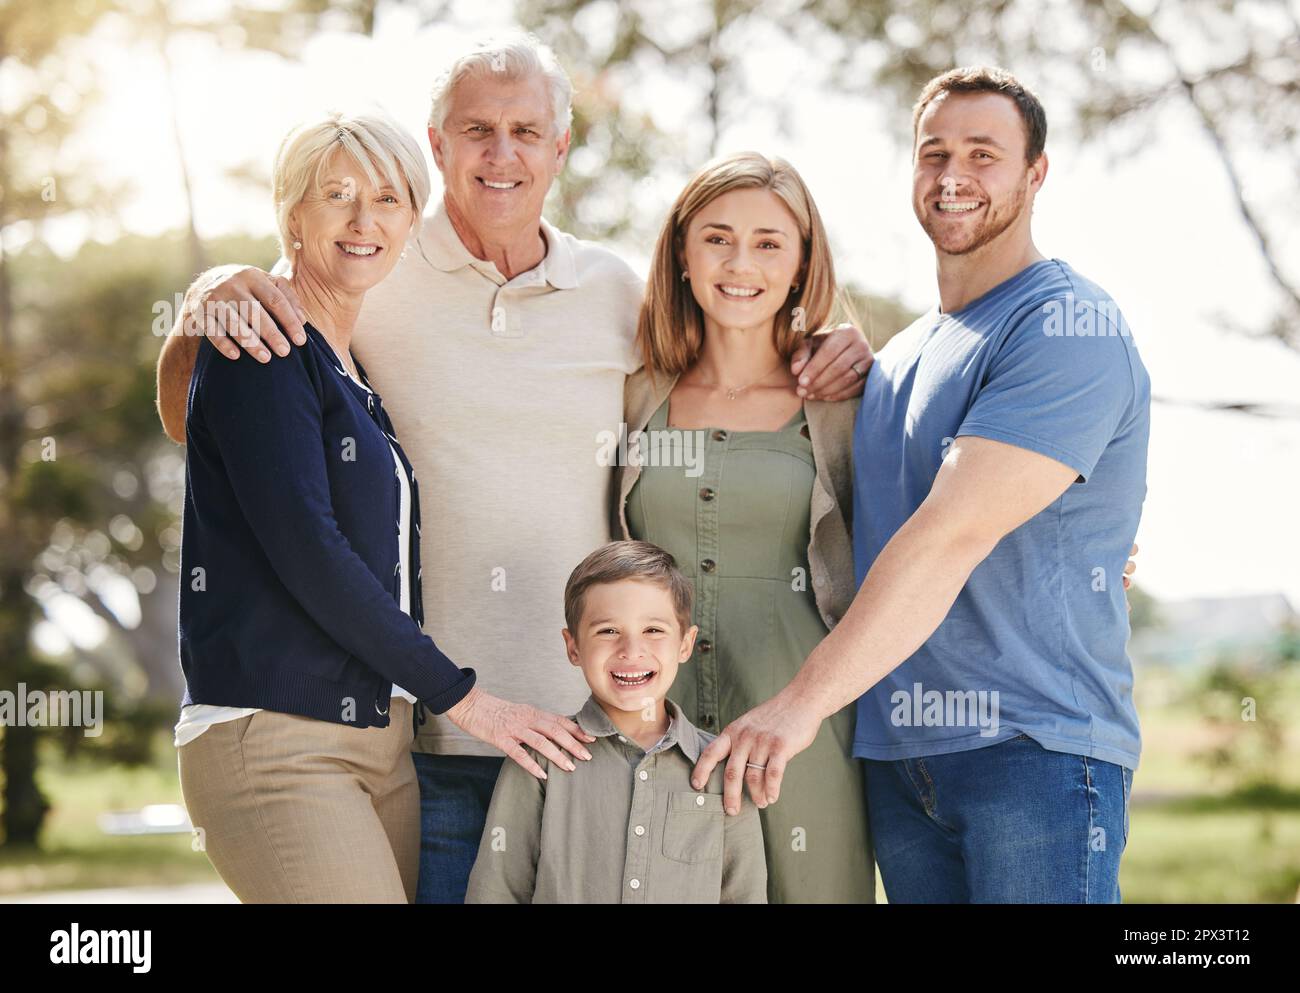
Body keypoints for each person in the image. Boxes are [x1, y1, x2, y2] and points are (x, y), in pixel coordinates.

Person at [153, 33, 872, 903]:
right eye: (477, 130)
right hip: (424, 731)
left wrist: (827, 340)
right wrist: (207, 297)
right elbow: (203, 407)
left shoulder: (614, 293)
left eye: (527, 131)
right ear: (438, 142)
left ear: (560, 147)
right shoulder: (371, 261)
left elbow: (726, 360)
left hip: (587, 733)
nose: (503, 155)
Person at [692, 66, 1151, 905]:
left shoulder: (1064, 325)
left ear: (1035, 173)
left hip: (1032, 750)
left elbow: (949, 535)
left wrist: (797, 706)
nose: (953, 175)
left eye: (984, 153)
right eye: (933, 151)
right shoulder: (897, 357)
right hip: (899, 760)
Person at [175, 108, 590, 904]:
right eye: (337, 195)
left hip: (380, 742)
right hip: (276, 737)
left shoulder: (353, 373)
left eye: (391, 198)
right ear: (292, 212)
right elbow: (310, 552)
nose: (365, 220)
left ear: (410, 218)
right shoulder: (260, 346)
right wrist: (467, 698)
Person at [614, 152, 873, 902]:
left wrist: (1095, 543)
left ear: (800, 264)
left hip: (804, 742)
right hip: (653, 734)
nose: (740, 263)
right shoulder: (630, 394)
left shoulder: (846, 401)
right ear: (682, 256)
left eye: (769, 243)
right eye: (717, 238)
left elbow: (937, 522)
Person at [465, 541, 767, 903]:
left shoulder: (723, 768)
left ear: (685, 644)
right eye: (608, 631)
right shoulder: (539, 757)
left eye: (653, 630)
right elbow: (497, 890)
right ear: (573, 646)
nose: (631, 650)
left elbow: (745, 894)